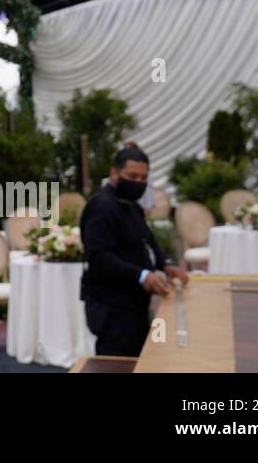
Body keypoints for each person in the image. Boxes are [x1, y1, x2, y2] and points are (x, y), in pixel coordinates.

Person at [80, 143, 188, 357]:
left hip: (133, 302)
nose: (138, 182)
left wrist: (165, 265)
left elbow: (146, 239)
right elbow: (99, 256)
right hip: (111, 305)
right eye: (132, 176)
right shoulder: (102, 206)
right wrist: (141, 275)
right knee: (117, 363)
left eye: (143, 178)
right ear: (114, 173)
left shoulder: (130, 204)